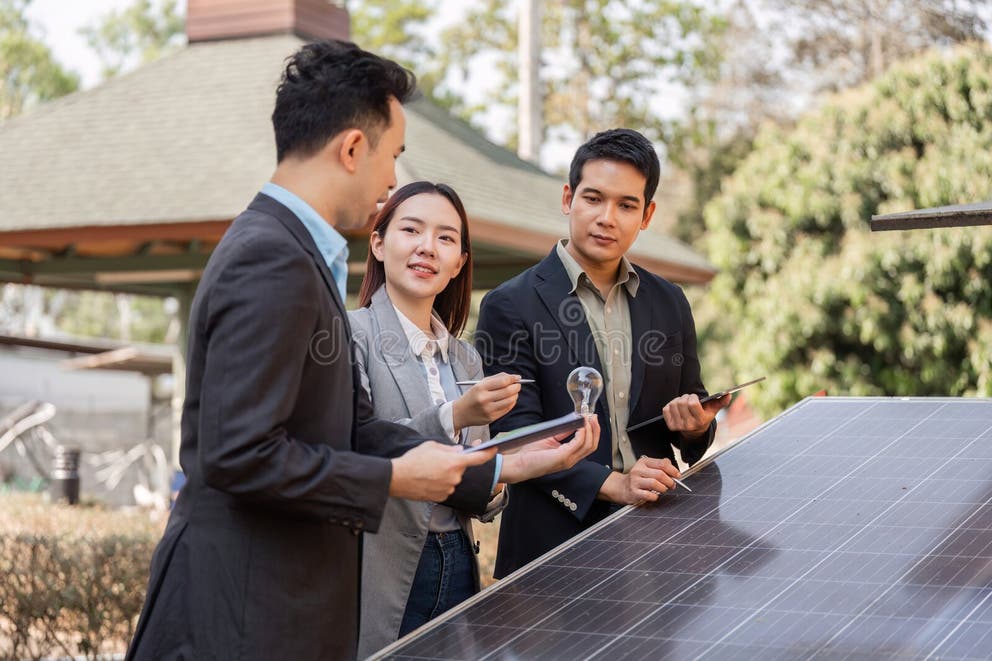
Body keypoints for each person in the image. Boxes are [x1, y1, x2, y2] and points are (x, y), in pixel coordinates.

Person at [126, 41, 502, 661]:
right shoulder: (270, 256)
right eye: (394, 157)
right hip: (243, 616)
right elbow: (239, 454)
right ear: (354, 148)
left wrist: (459, 461)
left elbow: (348, 426)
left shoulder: (294, 251)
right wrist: (391, 477)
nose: (392, 182)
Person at [349, 181, 600, 657]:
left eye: (446, 238)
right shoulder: (349, 335)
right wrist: (455, 414)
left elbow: (476, 487)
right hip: (380, 567)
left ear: (460, 262)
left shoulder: (465, 359)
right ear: (379, 244)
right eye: (411, 230)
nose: (428, 247)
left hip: (460, 559)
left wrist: (526, 462)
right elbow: (357, 446)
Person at [476, 128, 730, 578]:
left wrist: (695, 426)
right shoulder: (509, 304)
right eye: (593, 198)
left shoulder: (669, 301)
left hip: (660, 542)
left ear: (647, 214)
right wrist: (616, 485)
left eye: (626, 205)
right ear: (568, 198)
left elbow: (692, 417)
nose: (607, 217)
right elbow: (517, 437)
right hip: (552, 549)